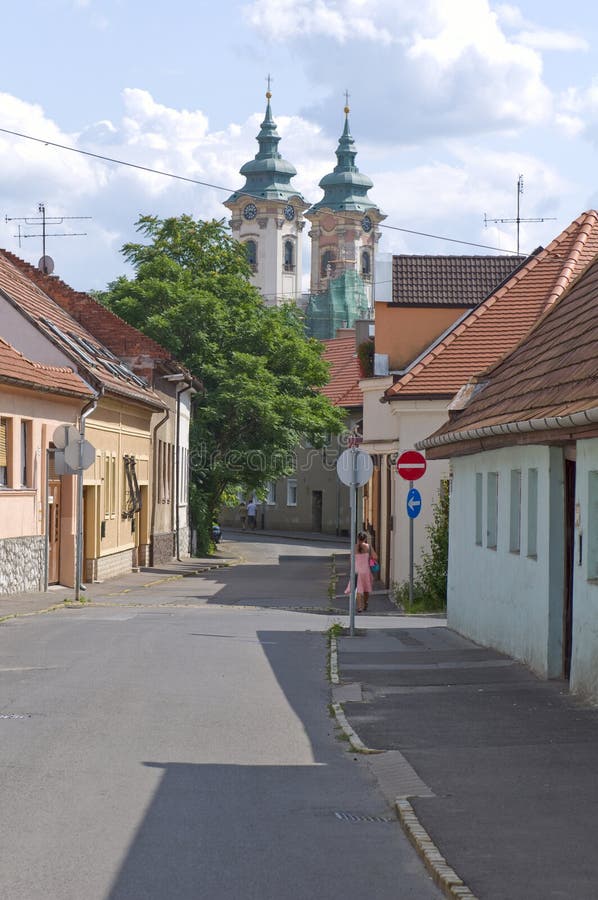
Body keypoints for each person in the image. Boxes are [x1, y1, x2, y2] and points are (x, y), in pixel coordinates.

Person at [345, 531, 378, 613]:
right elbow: (375, 557)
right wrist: (369, 556)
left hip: (357, 571)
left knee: (358, 589)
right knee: (366, 588)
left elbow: (350, 561)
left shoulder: (354, 547)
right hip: (366, 571)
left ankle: (359, 607)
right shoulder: (368, 547)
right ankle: (365, 604)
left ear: (357, 538)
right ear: (365, 539)